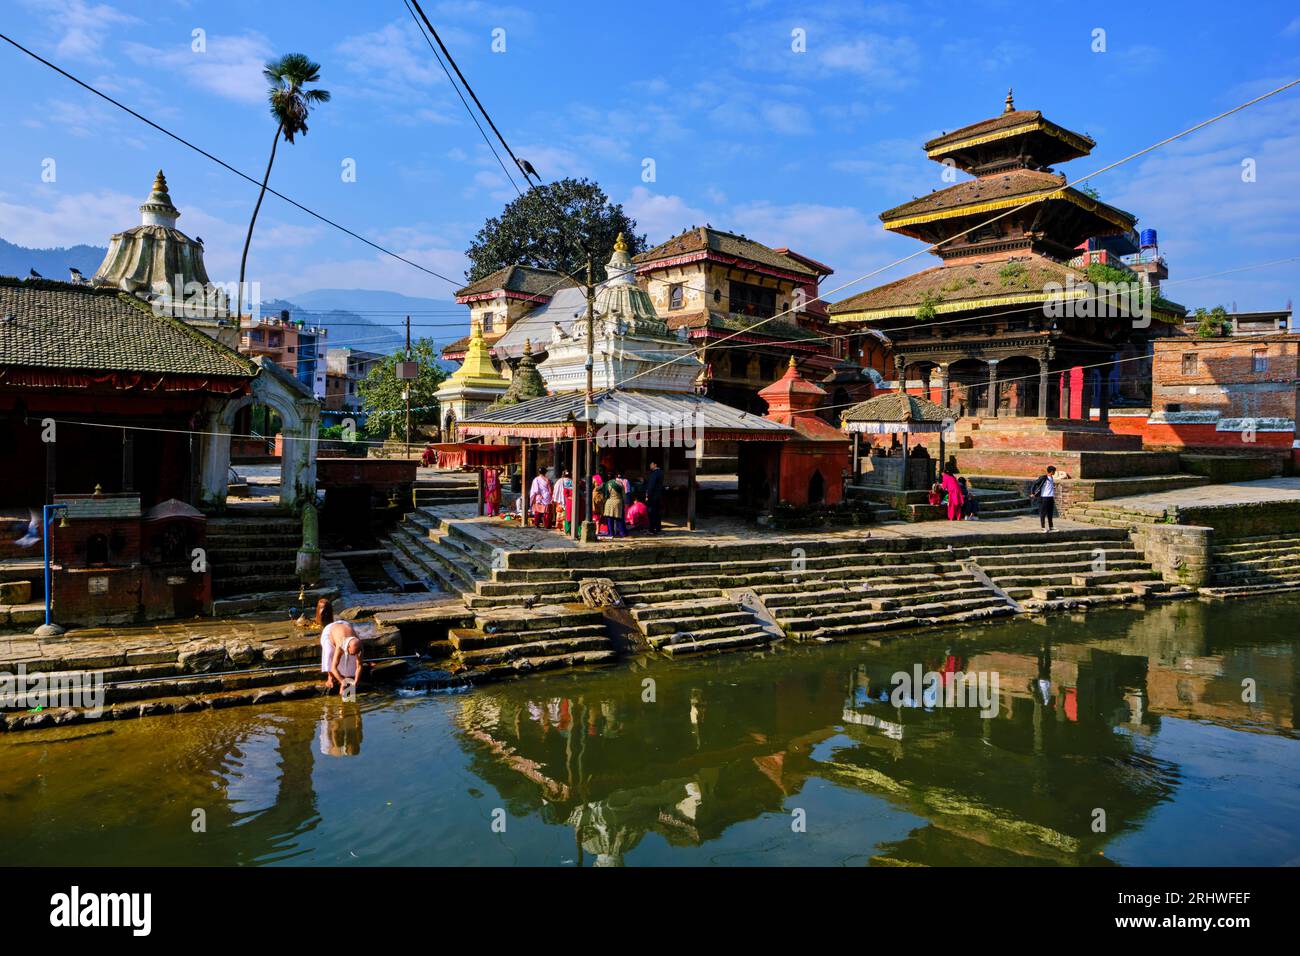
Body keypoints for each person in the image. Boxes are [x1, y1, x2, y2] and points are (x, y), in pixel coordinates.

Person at [318, 600, 364, 696]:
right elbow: (333, 667)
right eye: (352, 652)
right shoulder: (340, 645)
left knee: (352, 662)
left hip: (345, 625)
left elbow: (359, 665)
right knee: (329, 653)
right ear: (347, 647)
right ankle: (330, 678)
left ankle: (347, 681)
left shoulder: (359, 647)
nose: (354, 655)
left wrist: (356, 681)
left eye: (355, 653)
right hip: (330, 632)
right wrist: (342, 681)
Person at [1029, 465, 1069, 532]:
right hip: (1044, 497)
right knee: (1043, 513)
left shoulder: (1051, 478)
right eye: (1054, 471)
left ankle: (1051, 526)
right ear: (1051, 471)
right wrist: (1032, 493)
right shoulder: (1044, 478)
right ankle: (1043, 527)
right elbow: (1034, 484)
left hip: (1050, 497)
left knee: (1050, 513)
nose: (1055, 472)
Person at [644, 461, 664, 534]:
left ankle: (651, 529)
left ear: (655, 464)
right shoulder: (661, 472)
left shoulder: (654, 473)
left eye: (651, 464)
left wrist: (647, 496)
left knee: (651, 513)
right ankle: (658, 529)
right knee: (657, 513)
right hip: (658, 496)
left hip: (653, 496)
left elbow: (651, 486)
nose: (650, 465)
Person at [553, 469, 573, 534]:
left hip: (560, 500)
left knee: (559, 513)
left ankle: (559, 527)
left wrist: (555, 498)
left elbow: (555, 490)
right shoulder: (571, 481)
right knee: (567, 514)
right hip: (568, 500)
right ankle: (565, 527)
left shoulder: (559, 481)